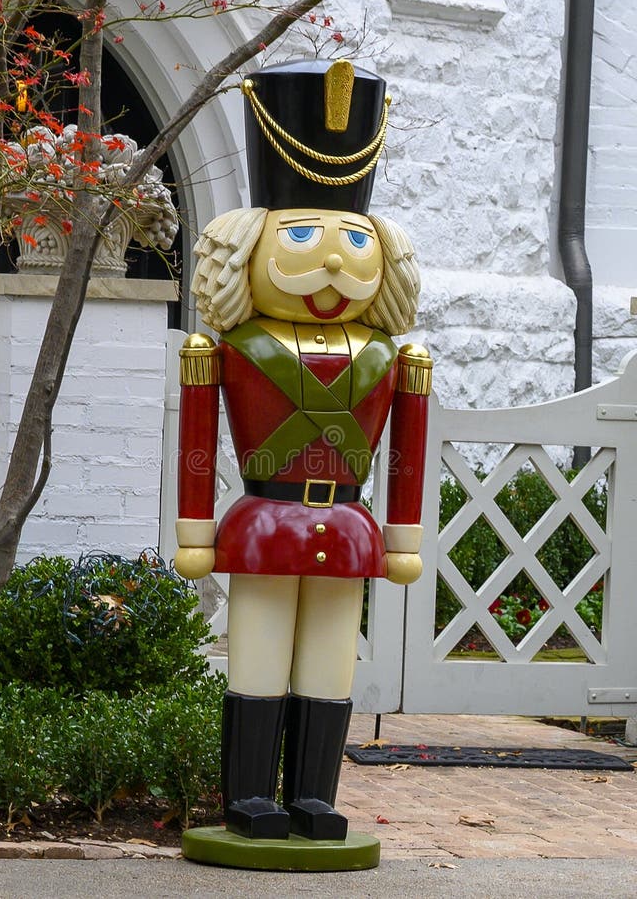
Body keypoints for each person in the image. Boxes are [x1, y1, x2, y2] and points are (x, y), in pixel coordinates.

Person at [175, 59, 431, 842]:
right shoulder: (233, 345)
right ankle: (250, 794)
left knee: (330, 663)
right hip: (264, 519)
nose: (332, 258)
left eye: (354, 236)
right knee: (256, 657)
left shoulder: (393, 357)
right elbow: (195, 440)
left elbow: (406, 454)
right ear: (249, 244)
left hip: (348, 527)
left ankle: (314, 795)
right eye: (301, 234)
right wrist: (194, 531)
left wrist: (403, 536)